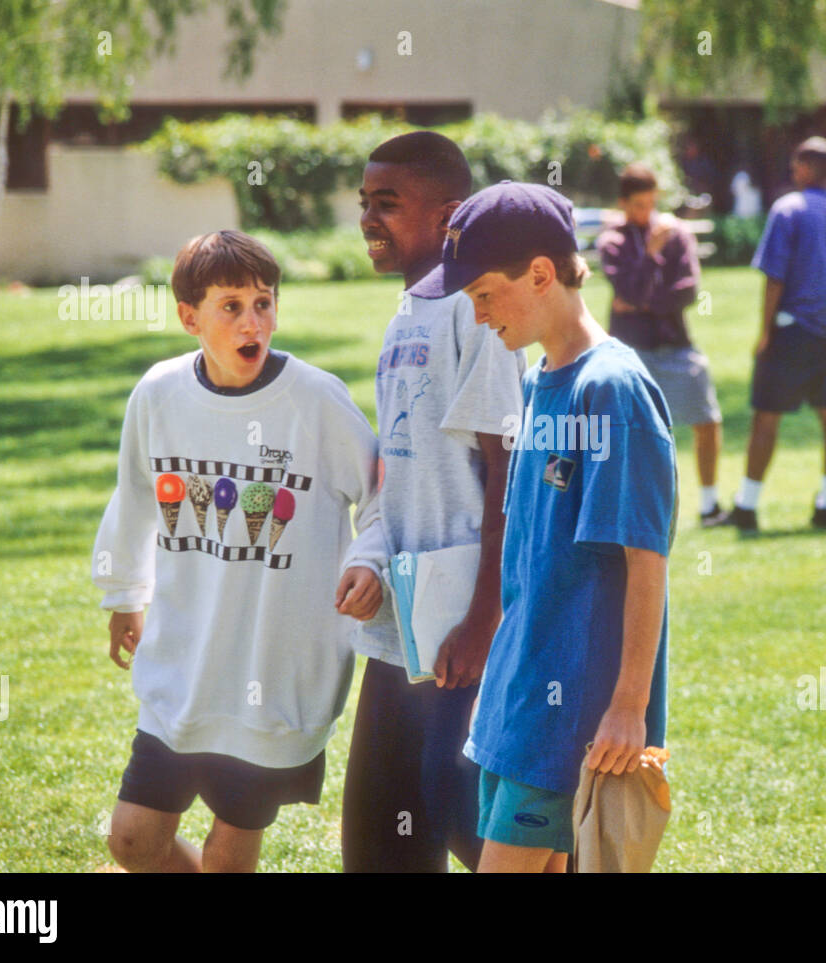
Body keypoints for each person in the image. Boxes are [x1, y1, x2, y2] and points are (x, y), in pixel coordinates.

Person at [93, 230, 386, 872]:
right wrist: (123, 595)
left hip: (275, 672)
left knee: (232, 854)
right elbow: (135, 496)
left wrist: (371, 561)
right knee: (133, 840)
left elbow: (382, 496)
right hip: (184, 670)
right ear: (189, 316)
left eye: (264, 302)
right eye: (231, 306)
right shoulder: (159, 393)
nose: (253, 321)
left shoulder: (316, 400)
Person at [408, 181, 676, 873]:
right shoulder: (536, 384)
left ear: (541, 273)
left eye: (485, 294)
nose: (477, 313)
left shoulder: (610, 389)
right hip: (522, 698)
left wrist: (628, 705)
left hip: (573, 716)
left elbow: (645, 560)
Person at [342, 131, 526, 873]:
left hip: (464, 635)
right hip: (400, 634)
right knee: (379, 845)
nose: (367, 219)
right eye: (363, 203)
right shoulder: (406, 311)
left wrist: (485, 618)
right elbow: (398, 472)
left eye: (387, 203)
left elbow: (507, 469)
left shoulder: (474, 309)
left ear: (449, 212)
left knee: (475, 825)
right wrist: (371, 559)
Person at [731, 137, 826, 533]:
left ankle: (747, 505)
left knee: (767, 417)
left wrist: (764, 333)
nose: (792, 171)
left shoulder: (787, 210)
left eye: (795, 164)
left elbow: (774, 278)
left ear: (806, 167)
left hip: (790, 333)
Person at [596, 163, 725, 526]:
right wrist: (650, 255)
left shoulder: (677, 233)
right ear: (622, 203)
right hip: (629, 350)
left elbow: (687, 292)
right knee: (626, 433)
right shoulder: (612, 241)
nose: (646, 212)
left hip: (675, 344)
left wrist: (641, 302)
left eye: (651, 203)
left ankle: (710, 505)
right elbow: (627, 291)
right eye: (637, 205)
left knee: (707, 420)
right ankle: (622, 511)